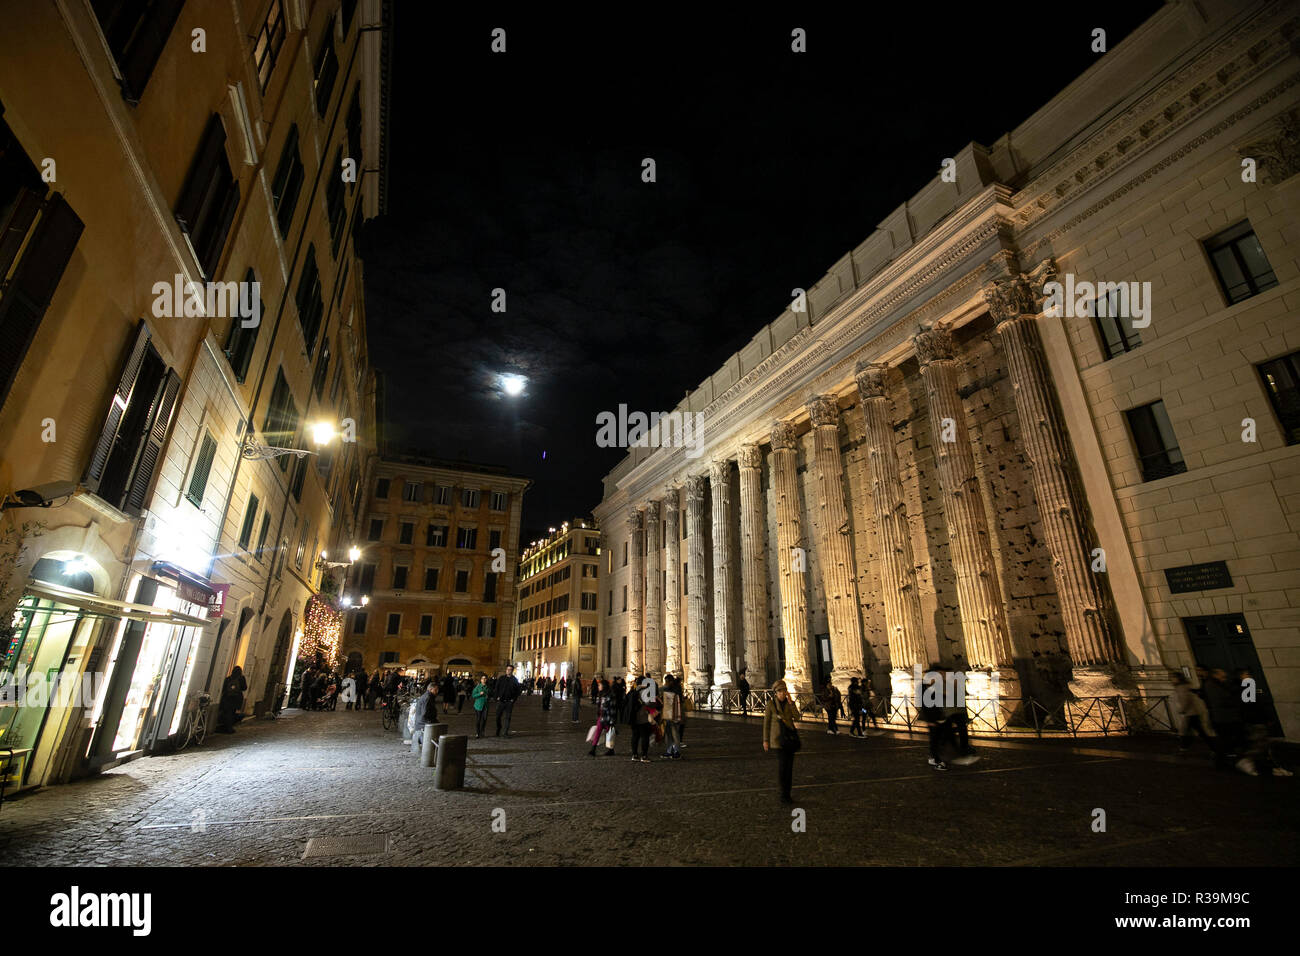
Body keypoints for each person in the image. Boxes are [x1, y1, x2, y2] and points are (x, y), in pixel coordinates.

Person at [763, 680, 801, 803]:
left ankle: (787, 793)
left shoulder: (789, 704)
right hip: (778, 740)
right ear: (776, 693)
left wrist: (791, 703)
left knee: (789, 768)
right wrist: (765, 740)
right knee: (783, 766)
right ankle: (783, 793)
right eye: (780, 691)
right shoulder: (771, 704)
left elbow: (797, 717)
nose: (782, 693)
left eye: (784, 691)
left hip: (789, 739)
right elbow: (766, 723)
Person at [1171, 672, 1213, 753]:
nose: (1172, 679)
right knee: (1193, 730)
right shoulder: (1183, 686)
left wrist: (1182, 709)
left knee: (1185, 731)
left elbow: (1185, 700)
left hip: (1189, 713)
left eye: (1173, 677)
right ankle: (1184, 747)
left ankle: (1183, 748)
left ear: (1178, 678)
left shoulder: (1181, 687)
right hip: (1190, 712)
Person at [216, 665, 247, 733]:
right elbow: (245, 688)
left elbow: (223, 688)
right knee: (232, 713)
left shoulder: (228, 678)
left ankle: (226, 727)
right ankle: (229, 728)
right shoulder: (242, 678)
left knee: (227, 712)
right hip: (236, 699)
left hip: (227, 698)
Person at [661, 674, 684, 759]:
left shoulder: (675, 689)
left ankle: (676, 751)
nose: (666, 683)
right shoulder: (674, 688)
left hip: (674, 714)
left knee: (674, 734)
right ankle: (670, 750)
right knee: (668, 734)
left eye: (667, 681)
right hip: (669, 713)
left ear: (671, 681)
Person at [495, 665, 521, 736]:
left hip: (509, 702)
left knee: (507, 717)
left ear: (512, 671)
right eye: (507, 669)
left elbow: (518, 691)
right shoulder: (501, 678)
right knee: (498, 716)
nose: (509, 671)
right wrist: (497, 697)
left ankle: (505, 732)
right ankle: (499, 728)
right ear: (506, 670)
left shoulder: (514, 680)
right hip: (501, 701)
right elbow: (496, 688)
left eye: (510, 670)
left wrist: (513, 699)